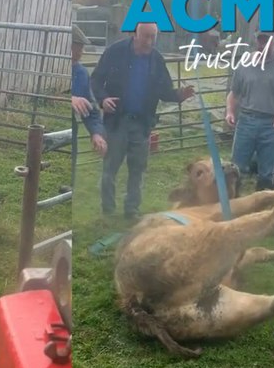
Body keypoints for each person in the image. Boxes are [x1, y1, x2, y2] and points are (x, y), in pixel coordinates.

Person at [90, 22, 195, 220]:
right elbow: (95, 80)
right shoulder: (116, 52)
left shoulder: (156, 60)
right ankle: (109, 211)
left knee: (137, 169)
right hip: (117, 121)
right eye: (145, 36)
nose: (148, 41)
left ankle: (132, 210)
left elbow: (165, 91)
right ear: (135, 34)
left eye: (152, 37)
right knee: (110, 167)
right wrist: (103, 99)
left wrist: (180, 95)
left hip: (142, 123)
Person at [225, 30, 274, 191]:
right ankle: (232, 205)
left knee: (266, 171)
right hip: (246, 120)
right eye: (261, 40)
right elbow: (234, 93)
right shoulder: (245, 62)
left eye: (267, 40)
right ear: (256, 39)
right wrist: (230, 112)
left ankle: (263, 206)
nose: (263, 44)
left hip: (271, 123)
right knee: (236, 167)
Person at [70, 25, 106, 158]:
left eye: (81, 46)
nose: (81, 51)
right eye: (77, 45)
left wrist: (96, 133)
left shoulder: (81, 73)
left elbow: (90, 108)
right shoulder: (52, 65)